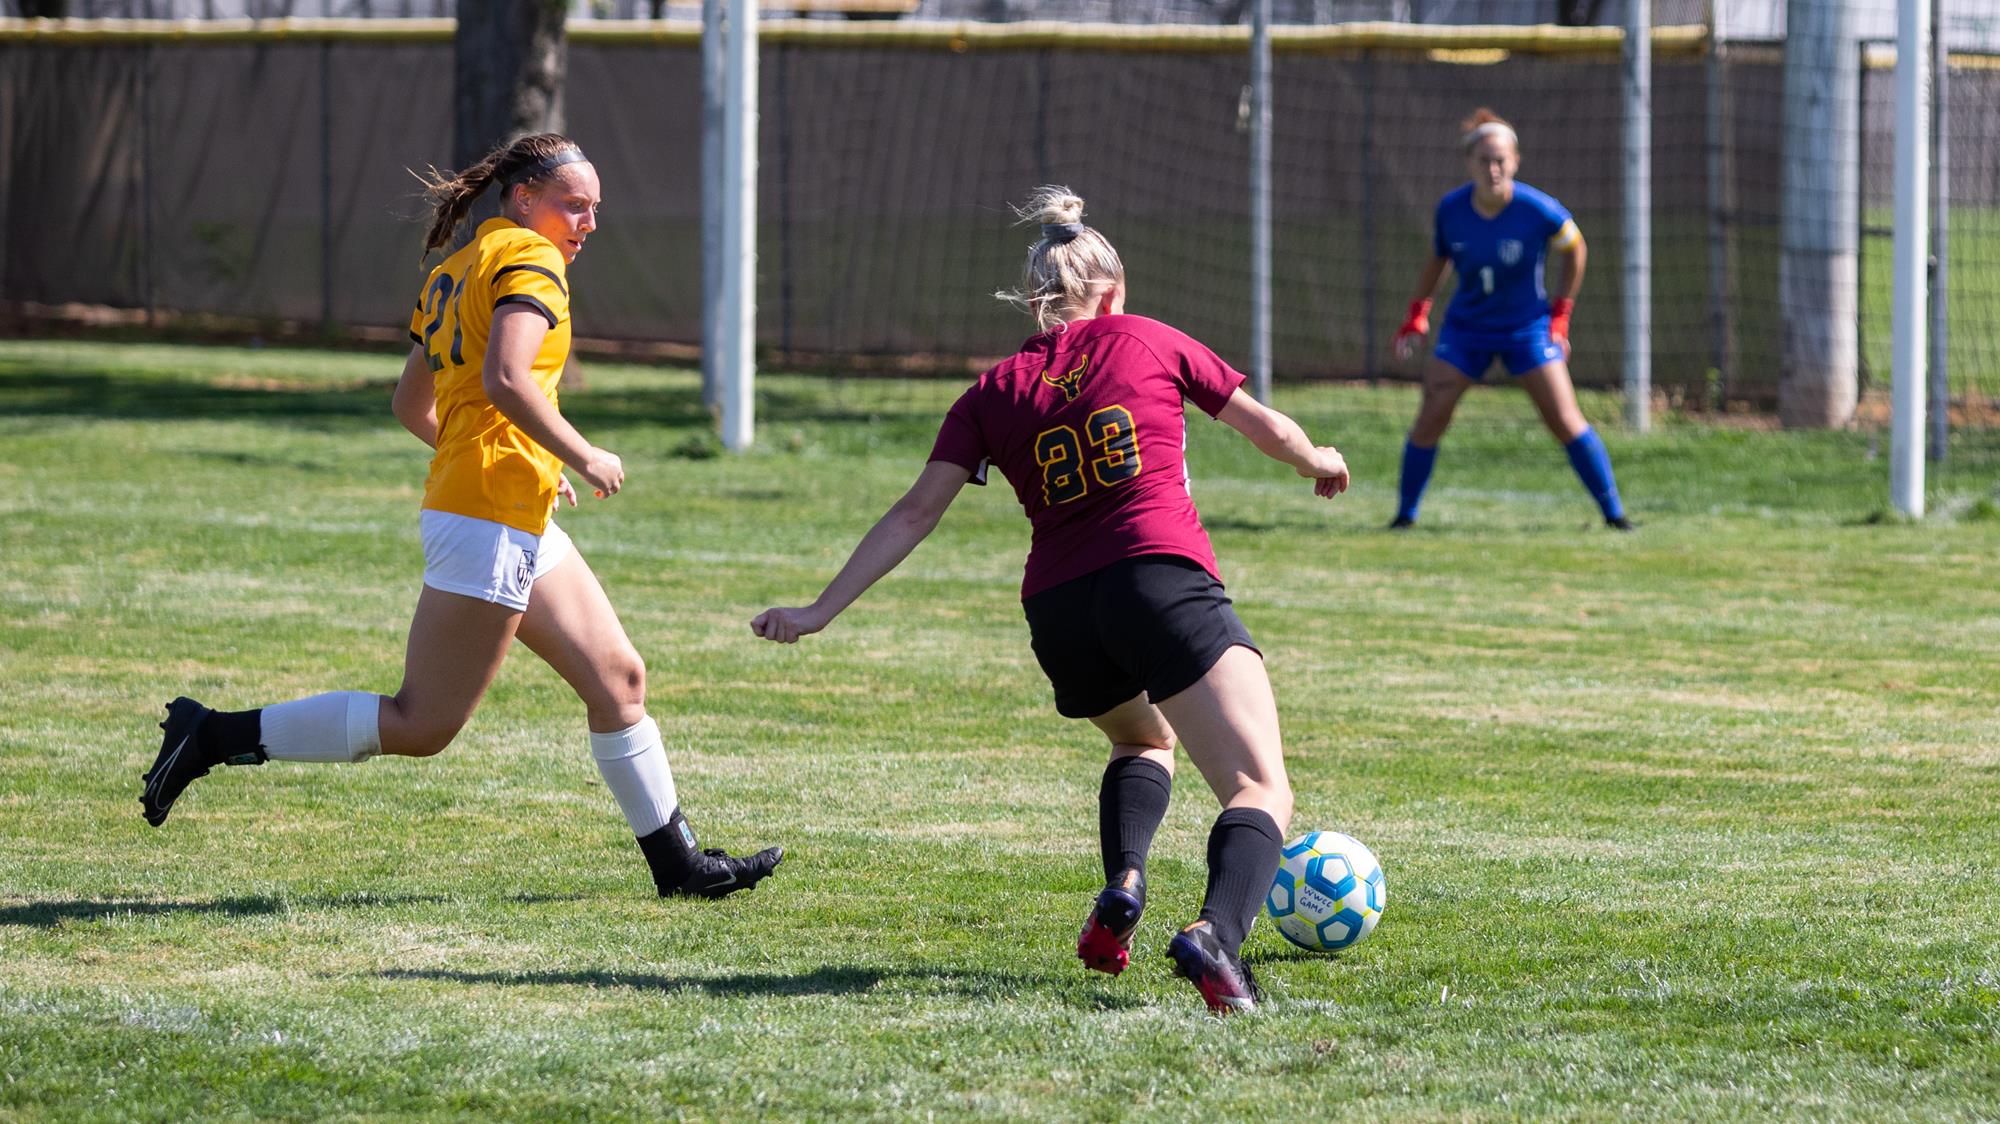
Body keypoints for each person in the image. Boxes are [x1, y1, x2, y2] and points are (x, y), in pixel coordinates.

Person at [750, 187, 1349, 1013]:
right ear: (1112, 291)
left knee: (1143, 738)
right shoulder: (1145, 336)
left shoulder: (991, 391)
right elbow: (1263, 427)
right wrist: (1317, 456)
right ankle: (1217, 936)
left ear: (1039, 300)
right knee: (1259, 786)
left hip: (1062, 611)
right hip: (1157, 578)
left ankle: (1124, 888)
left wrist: (820, 610)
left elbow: (915, 512)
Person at [142, 133, 783, 900]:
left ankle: (679, 867)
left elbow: (412, 404)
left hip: (502, 505)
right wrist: (581, 454)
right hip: (487, 518)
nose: (587, 223)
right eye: (573, 205)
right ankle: (211, 734)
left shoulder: (458, 266)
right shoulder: (530, 260)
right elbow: (509, 378)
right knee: (422, 725)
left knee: (618, 679)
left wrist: (528, 460)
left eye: (595, 210)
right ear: (522, 199)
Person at [1390, 108, 1631, 531]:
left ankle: (1615, 516)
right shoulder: (1452, 209)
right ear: (1470, 164)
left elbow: (1576, 249)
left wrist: (1561, 316)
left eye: (1501, 159)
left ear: (1516, 161)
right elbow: (1440, 257)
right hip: (1467, 329)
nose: (1493, 168)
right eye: (1483, 160)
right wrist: (1418, 312)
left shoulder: (1539, 210)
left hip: (1527, 329)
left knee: (1564, 418)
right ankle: (1404, 517)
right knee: (1432, 412)